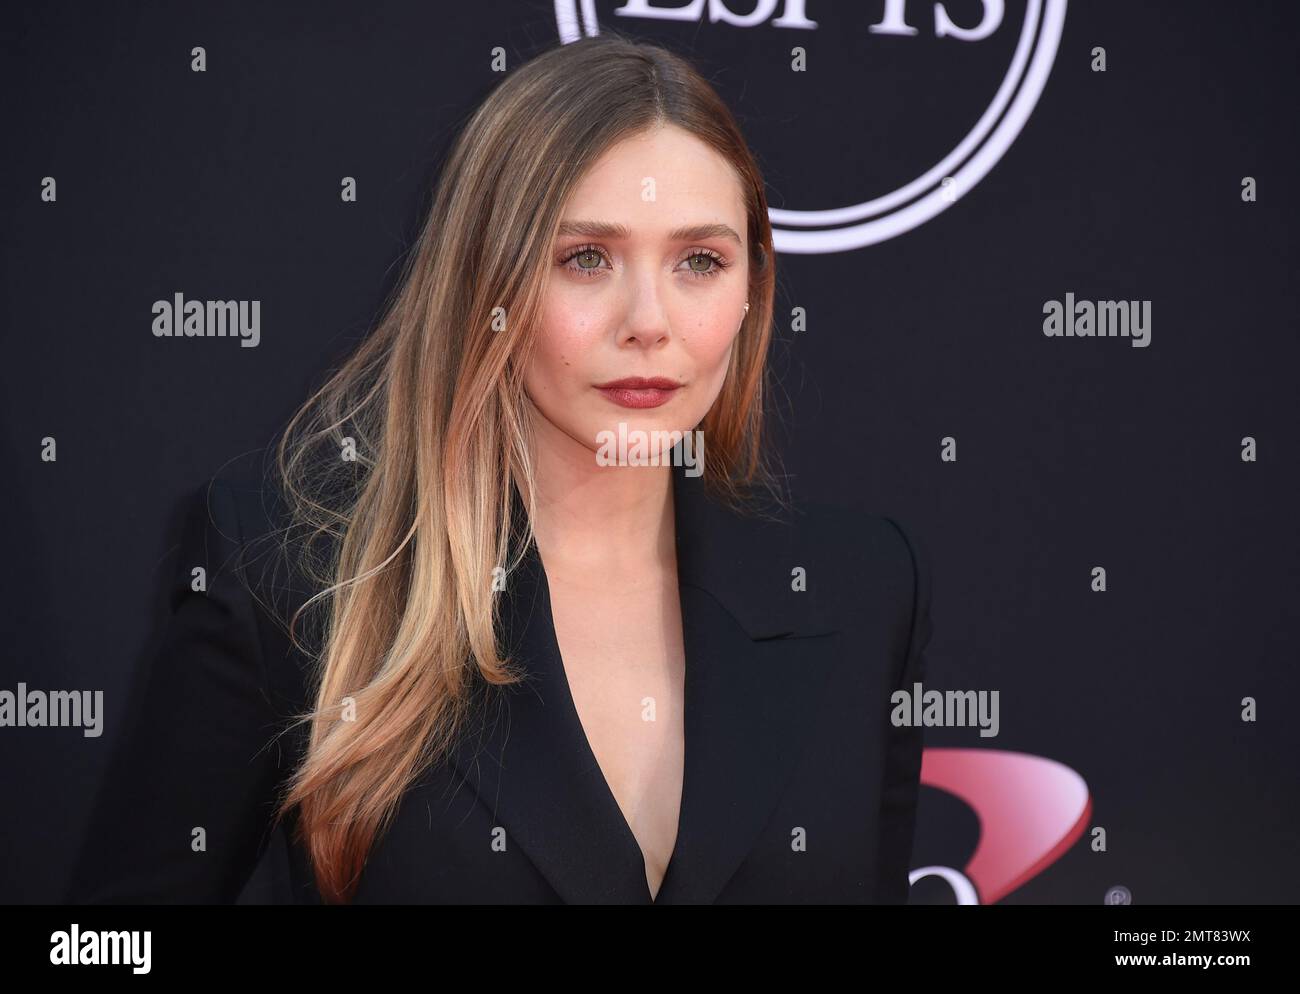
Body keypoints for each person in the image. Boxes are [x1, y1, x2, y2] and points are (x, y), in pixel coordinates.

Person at [65, 32, 933, 905]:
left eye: (699, 261)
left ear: (752, 287)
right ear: (489, 281)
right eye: (585, 257)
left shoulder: (861, 589)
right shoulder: (292, 569)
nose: (648, 321)